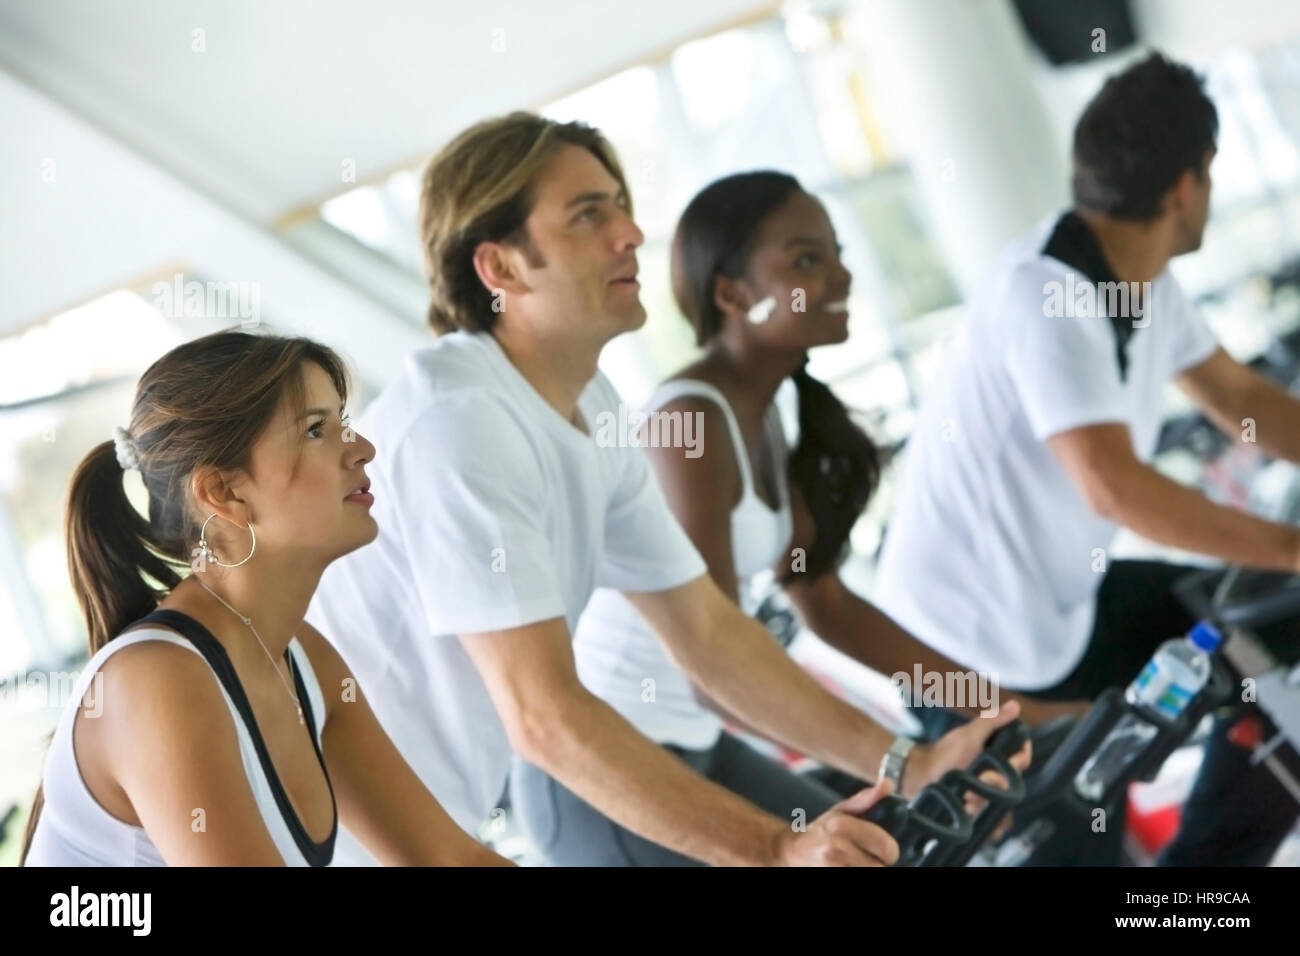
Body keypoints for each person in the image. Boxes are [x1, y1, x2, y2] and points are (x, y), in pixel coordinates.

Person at [307, 111, 1029, 868]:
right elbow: (542, 716)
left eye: (620, 204)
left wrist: (906, 765)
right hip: (355, 846)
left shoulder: (592, 405)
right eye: (589, 215)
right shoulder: (460, 421)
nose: (630, 233)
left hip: (444, 819)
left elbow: (708, 633)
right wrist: (777, 848)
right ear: (503, 269)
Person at [510, 170, 1064, 865]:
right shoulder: (690, 423)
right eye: (807, 260)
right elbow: (709, 666)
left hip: (696, 745)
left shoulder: (765, 411)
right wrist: (904, 761)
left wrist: (1000, 709)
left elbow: (827, 605)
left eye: (836, 253)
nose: (843, 276)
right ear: (733, 293)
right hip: (610, 780)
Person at [873, 51, 1300, 865]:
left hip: (1064, 615)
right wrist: (1292, 546)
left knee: (1272, 628)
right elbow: (1113, 488)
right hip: (960, 658)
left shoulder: (1147, 285)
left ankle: (1198, 887)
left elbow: (1242, 404)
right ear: (1186, 185)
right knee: (1071, 849)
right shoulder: (1047, 293)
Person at [21, 330, 512, 866]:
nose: (363, 449)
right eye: (316, 430)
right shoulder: (159, 683)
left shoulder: (304, 657)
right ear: (224, 493)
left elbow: (447, 858)